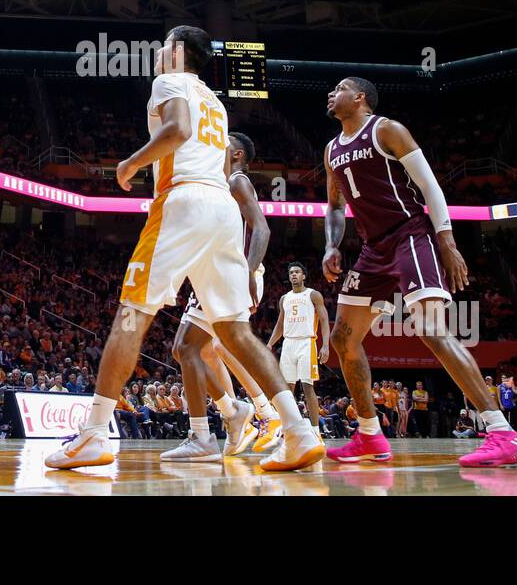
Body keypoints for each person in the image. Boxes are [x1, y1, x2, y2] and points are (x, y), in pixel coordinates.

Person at [44, 27, 324, 473]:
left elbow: (176, 130)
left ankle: (95, 433)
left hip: (183, 203)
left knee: (131, 314)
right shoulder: (216, 101)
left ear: (176, 52)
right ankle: (297, 430)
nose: (156, 53)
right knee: (235, 332)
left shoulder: (169, 81)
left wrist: (130, 163)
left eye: (162, 46)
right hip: (221, 214)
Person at [320, 77, 517, 468]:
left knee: (432, 330)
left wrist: (446, 242)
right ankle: (369, 435)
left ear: (360, 97)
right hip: (373, 248)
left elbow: (430, 185)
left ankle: (502, 431)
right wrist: (332, 244)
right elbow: (334, 206)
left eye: (340, 88)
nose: (332, 94)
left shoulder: (386, 129)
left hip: (410, 236)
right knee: (343, 339)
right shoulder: (332, 148)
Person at [166, 131, 279, 461]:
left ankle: (264, 414)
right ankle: (240, 413)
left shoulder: (238, 181)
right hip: (218, 272)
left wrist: (249, 272)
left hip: (234, 273)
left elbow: (262, 228)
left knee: (199, 347)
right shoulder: (216, 186)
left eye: (224, 142)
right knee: (205, 350)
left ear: (238, 155)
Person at [268, 262, 330, 440]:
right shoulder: (284, 298)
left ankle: (315, 430)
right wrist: (270, 344)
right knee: (287, 390)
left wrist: (325, 345)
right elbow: (280, 325)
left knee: (307, 386)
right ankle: (289, 427)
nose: (294, 275)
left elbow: (324, 320)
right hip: (288, 344)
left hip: (306, 342)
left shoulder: (313, 295)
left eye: (297, 272)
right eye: (291, 273)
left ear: (304, 276)